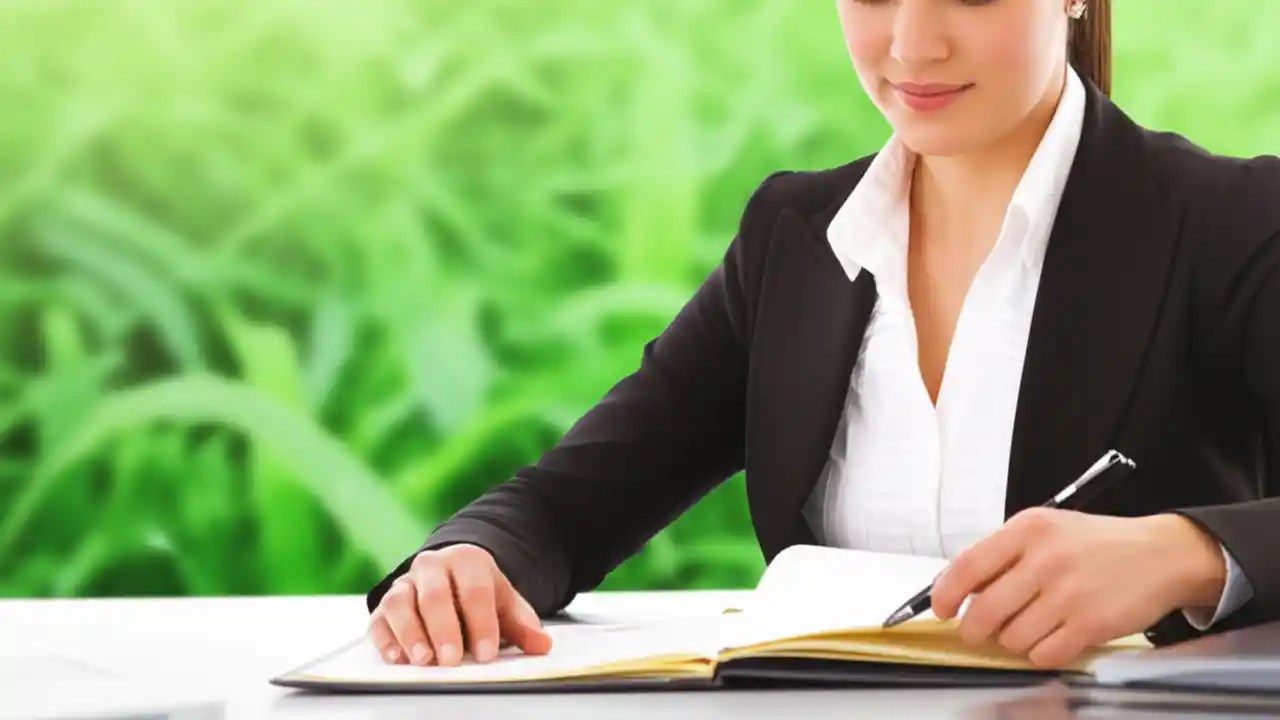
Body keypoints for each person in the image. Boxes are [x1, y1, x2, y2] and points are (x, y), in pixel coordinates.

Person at [366, 0, 1280, 670]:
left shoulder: (1228, 224)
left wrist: (1188, 556)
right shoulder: (794, 241)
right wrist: (468, 562)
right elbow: (569, 503)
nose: (912, 43)